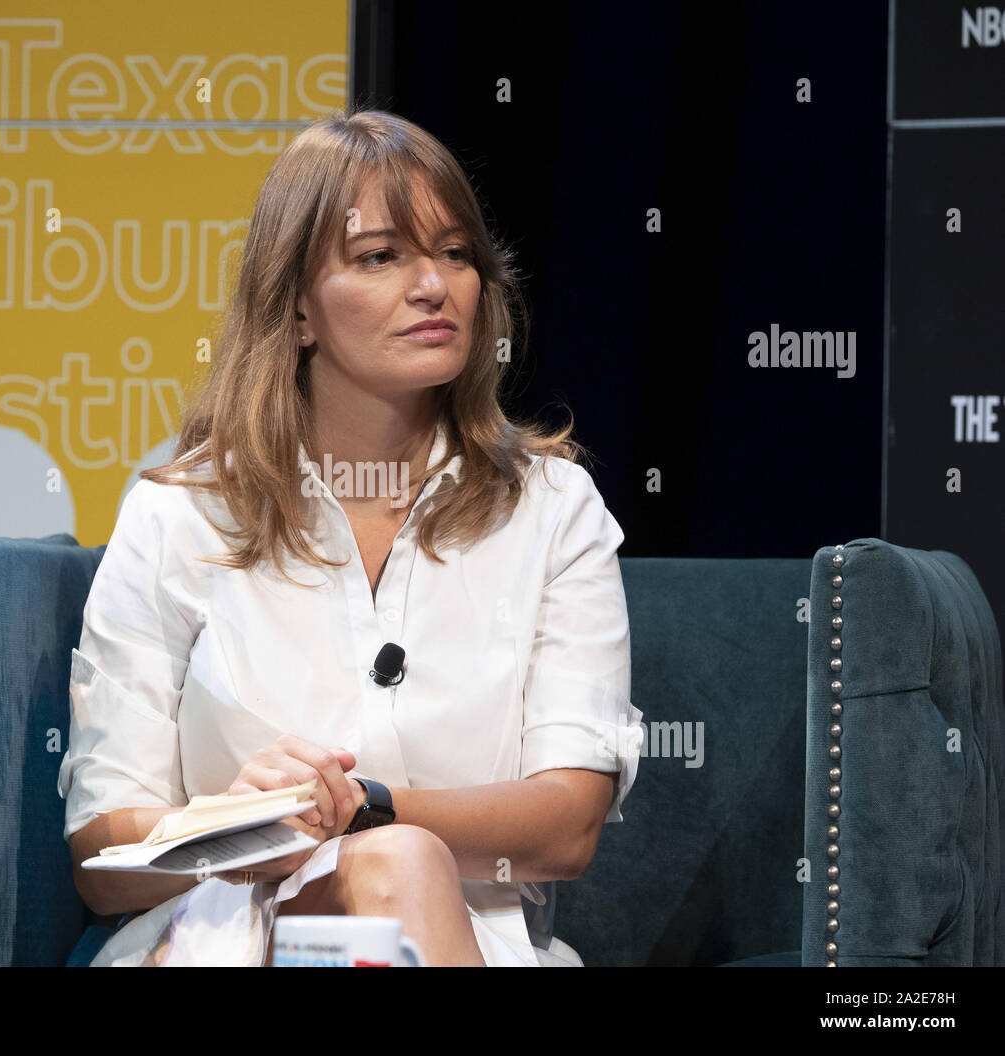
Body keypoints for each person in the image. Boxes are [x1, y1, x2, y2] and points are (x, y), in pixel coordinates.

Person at [56, 107, 644, 966]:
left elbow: (567, 828)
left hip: (469, 939)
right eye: (381, 256)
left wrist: (364, 807)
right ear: (295, 309)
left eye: (455, 253)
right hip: (222, 938)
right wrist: (235, 827)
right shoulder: (179, 514)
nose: (434, 286)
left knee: (396, 863)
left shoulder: (553, 509)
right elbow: (102, 865)